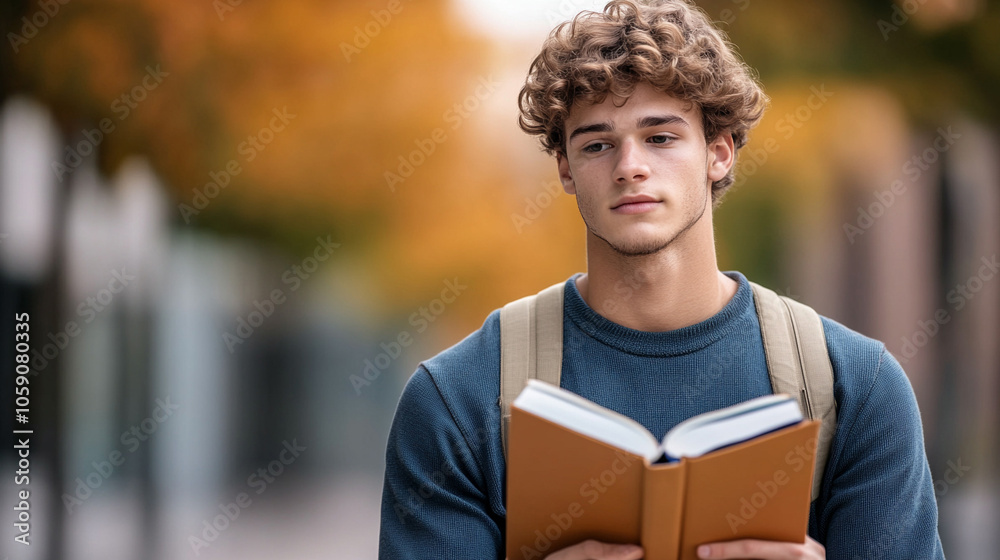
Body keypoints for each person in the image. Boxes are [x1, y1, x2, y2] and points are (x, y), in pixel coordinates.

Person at [378, 1, 945, 558]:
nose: (630, 166)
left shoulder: (857, 389)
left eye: (661, 137)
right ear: (566, 171)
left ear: (718, 153)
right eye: (597, 144)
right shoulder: (457, 400)